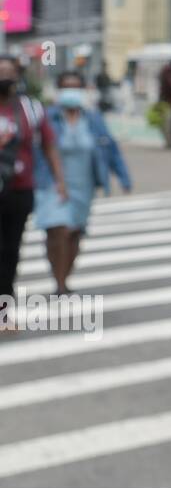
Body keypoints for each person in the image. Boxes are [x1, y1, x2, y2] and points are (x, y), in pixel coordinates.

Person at [34, 72, 131, 294]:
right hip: (51, 183)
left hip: (83, 184)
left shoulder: (93, 118)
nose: (72, 91)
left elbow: (111, 148)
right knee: (58, 229)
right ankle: (58, 282)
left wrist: (123, 177)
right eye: (67, 87)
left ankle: (64, 278)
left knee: (74, 232)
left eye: (76, 87)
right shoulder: (47, 117)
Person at [0, 55, 66, 309]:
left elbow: (49, 145)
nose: (5, 76)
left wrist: (60, 181)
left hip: (19, 190)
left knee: (10, 250)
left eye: (10, 71)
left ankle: (4, 309)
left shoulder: (30, 108)